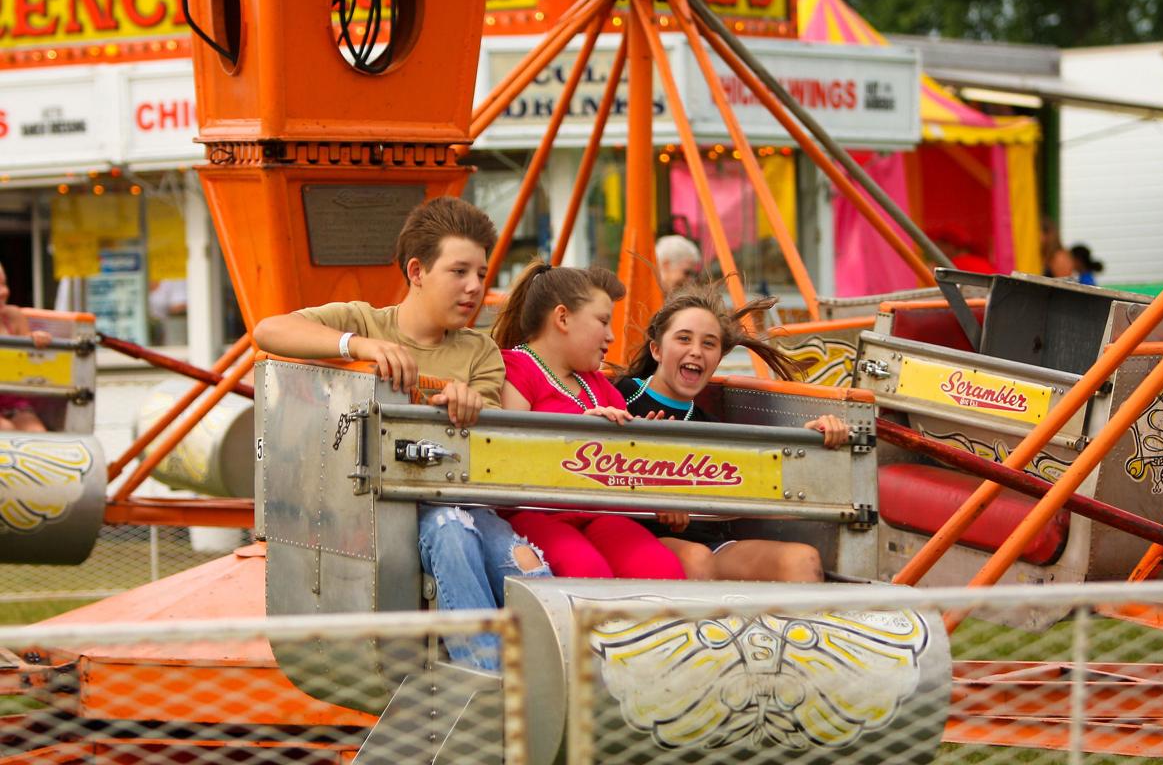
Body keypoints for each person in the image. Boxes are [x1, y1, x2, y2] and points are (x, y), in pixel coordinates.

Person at [253, 196, 550, 670]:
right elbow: (269, 331)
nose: (475, 287)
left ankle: (555, 680)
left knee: (522, 558)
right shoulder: (366, 321)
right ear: (417, 271)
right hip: (379, 512)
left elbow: (491, 446)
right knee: (453, 534)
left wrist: (473, 407)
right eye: (459, 272)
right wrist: (358, 346)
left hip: (455, 499)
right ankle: (487, 682)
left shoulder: (480, 352)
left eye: (481, 273)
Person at [617, 282, 849, 583]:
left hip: (708, 544)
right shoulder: (620, 397)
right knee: (697, 560)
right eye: (684, 339)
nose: (696, 352)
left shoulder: (711, 428)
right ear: (657, 349)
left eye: (709, 344)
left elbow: (762, 469)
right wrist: (652, 494)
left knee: (802, 560)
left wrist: (812, 437)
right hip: (639, 537)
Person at [492, 259, 687, 580]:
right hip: (536, 511)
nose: (611, 336)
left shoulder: (599, 387)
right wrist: (579, 433)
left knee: (660, 568)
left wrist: (657, 473)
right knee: (586, 571)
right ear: (563, 317)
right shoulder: (516, 368)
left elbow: (622, 465)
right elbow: (509, 454)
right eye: (602, 321)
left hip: (597, 511)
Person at [0, 263, 51, 432]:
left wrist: (35, 339)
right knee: (5, 429)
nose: (3, 292)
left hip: (12, 401)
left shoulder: (13, 316)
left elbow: (28, 359)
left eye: (4, 284)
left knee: (37, 434)